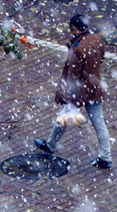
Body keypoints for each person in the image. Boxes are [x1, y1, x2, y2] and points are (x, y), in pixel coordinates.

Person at [34, 14, 112, 169]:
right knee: (99, 123)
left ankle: (50, 145)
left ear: (75, 28)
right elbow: (101, 59)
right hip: (95, 87)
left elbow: (73, 75)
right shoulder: (97, 40)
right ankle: (105, 157)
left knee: (64, 116)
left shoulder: (77, 49)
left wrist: (69, 95)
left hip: (80, 91)